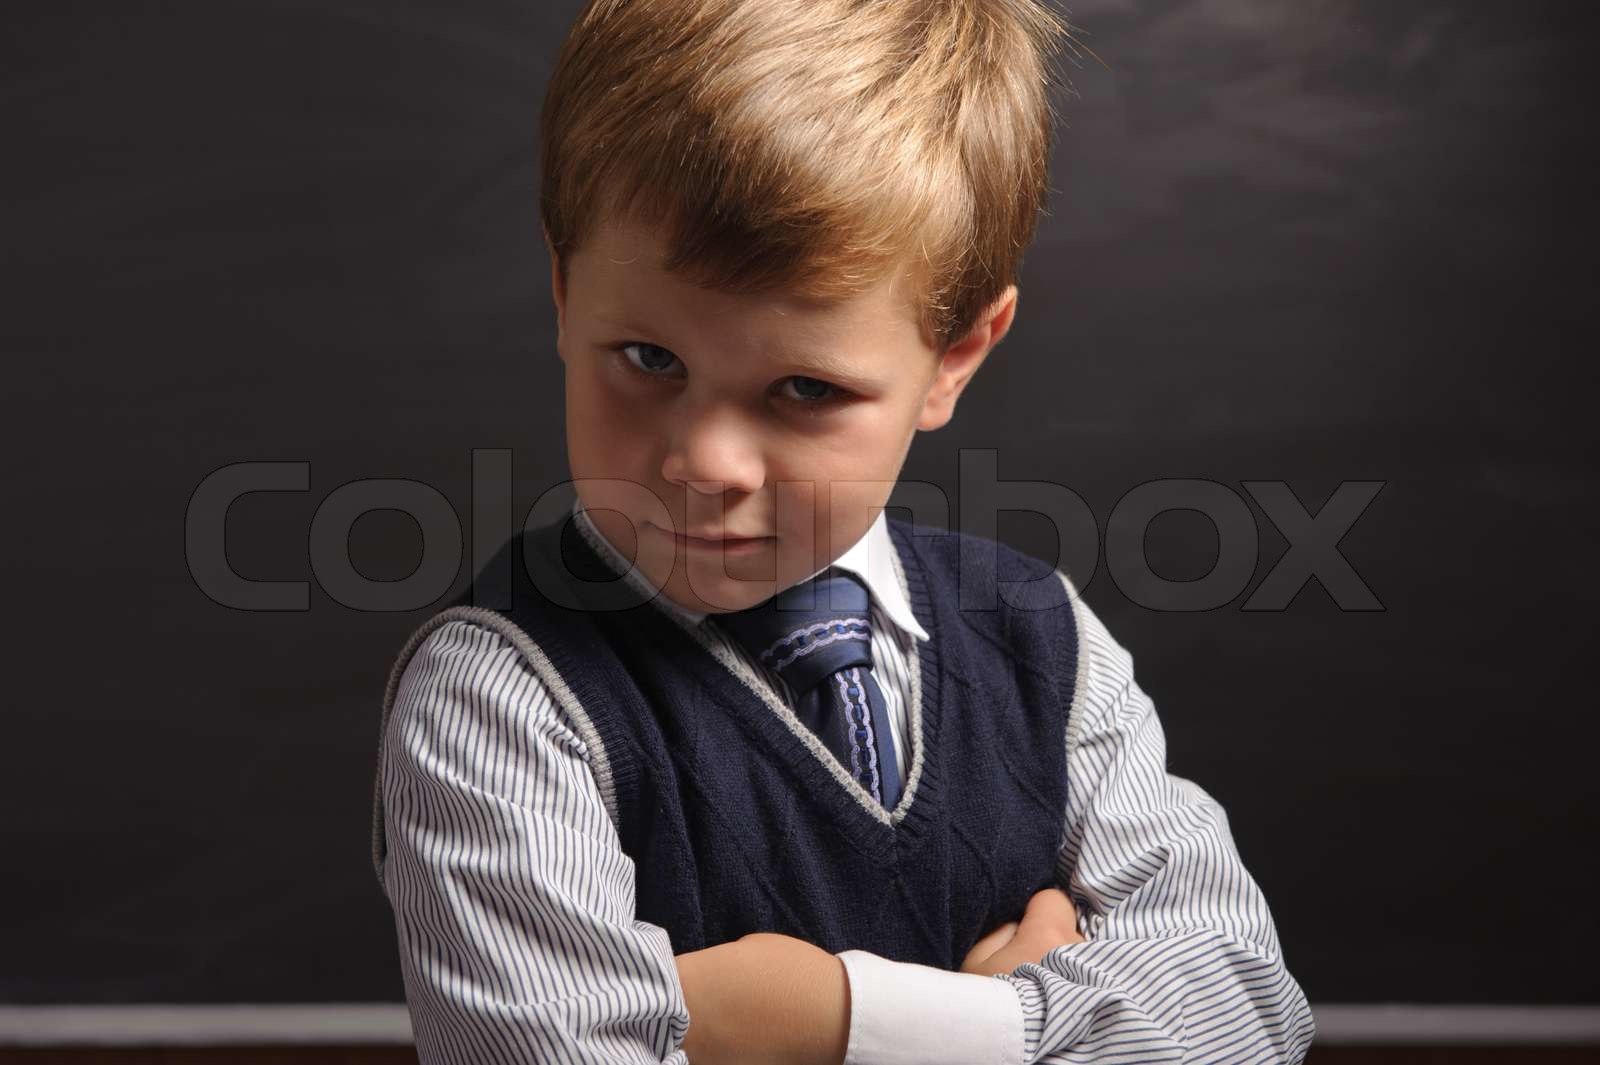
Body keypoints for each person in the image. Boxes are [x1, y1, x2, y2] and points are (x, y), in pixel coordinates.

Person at [369, 0, 1316, 1061]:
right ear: (562, 288)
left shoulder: (1043, 646)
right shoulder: (506, 702)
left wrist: (832, 1021)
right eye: (647, 360)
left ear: (955, 356)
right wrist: (1046, 1026)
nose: (705, 464)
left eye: (805, 388)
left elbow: (1244, 1014)